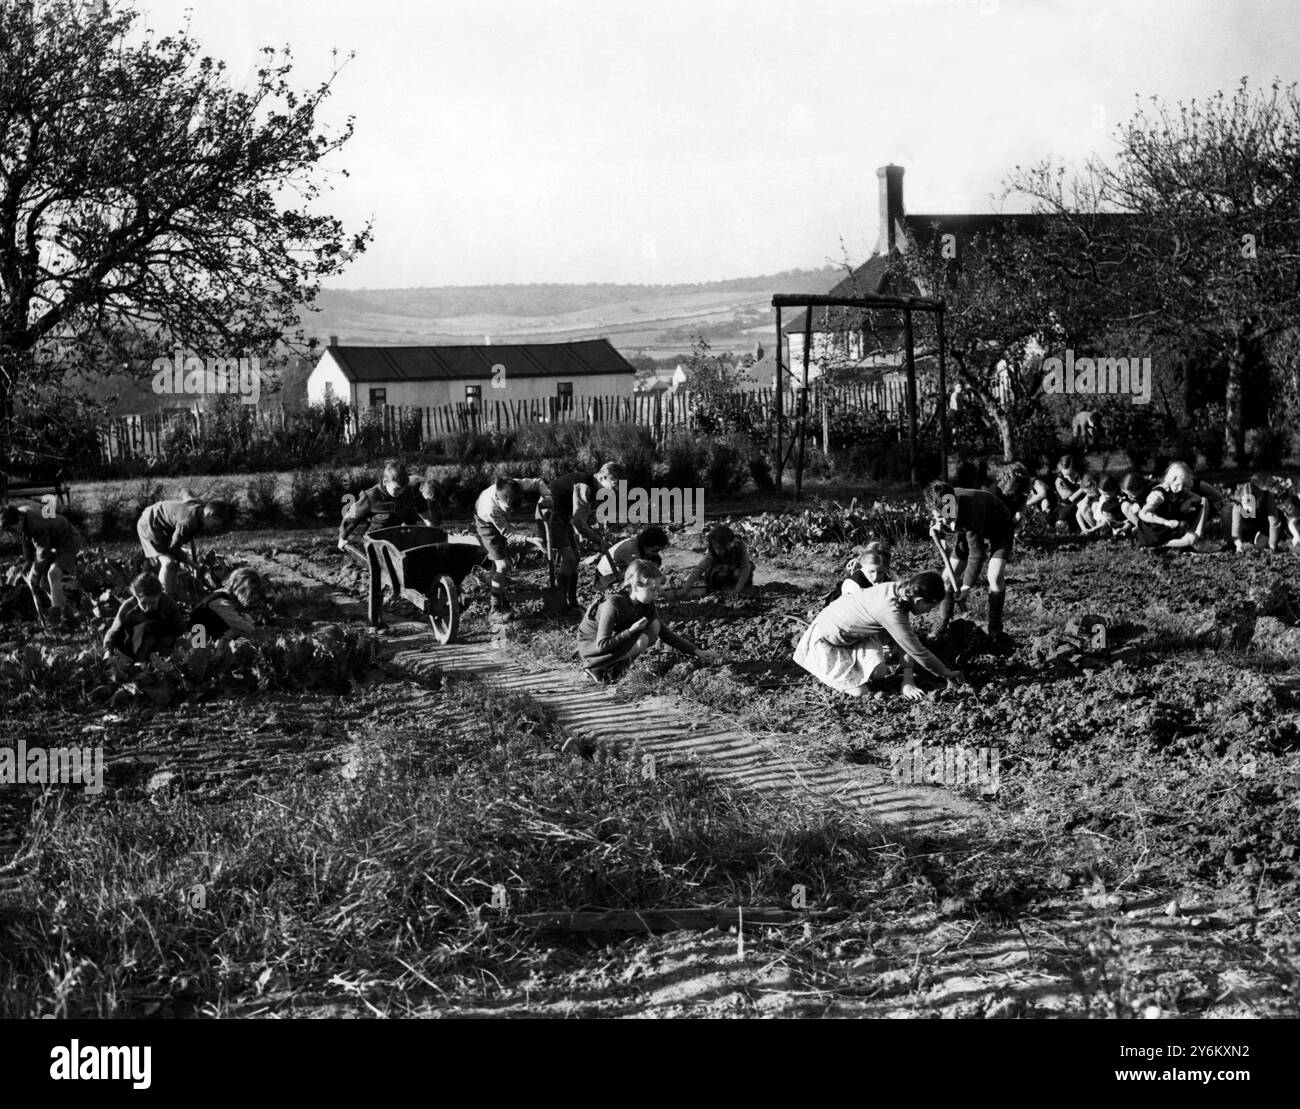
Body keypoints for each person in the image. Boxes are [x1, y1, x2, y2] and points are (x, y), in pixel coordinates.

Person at [794, 571, 966, 701]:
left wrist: (907, 681)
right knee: (861, 693)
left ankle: (854, 667)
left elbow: (905, 643)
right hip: (825, 641)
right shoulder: (891, 611)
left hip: (853, 635)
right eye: (930, 607)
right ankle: (826, 674)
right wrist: (947, 673)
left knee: (879, 673)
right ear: (919, 601)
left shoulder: (899, 590)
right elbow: (917, 651)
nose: (928, 612)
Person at [576, 559, 715, 682]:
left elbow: (665, 634)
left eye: (657, 590)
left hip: (609, 646)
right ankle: (596, 666)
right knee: (641, 639)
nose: (656, 594)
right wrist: (631, 631)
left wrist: (696, 651)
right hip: (591, 648)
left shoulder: (646, 604)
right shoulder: (613, 604)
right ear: (635, 586)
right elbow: (602, 644)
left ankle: (615, 669)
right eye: (652, 590)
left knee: (654, 626)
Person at [925, 480, 1015, 646]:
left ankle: (995, 628)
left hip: (999, 526)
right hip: (969, 527)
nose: (943, 520)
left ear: (955, 504)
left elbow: (977, 553)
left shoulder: (968, 509)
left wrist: (966, 586)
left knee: (994, 576)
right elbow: (944, 525)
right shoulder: (942, 503)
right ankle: (944, 623)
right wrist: (938, 530)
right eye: (939, 516)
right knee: (946, 577)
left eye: (947, 516)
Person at [536, 462, 623, 615]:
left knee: (575, 557)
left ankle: (573, 602)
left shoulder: (589, 485)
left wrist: (583, 535)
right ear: (602, 477)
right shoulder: (585, 487)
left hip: (562, 516)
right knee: (569, 558)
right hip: (549, 515)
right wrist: (598, 541)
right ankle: (562, 604)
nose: (612, 493)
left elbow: (577, 518)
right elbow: (578, 521)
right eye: (612, 487)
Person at [473, 476, 548, 618]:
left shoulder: (516, 485)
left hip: (498, 520)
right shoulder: (491, 509)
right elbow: (508, 533)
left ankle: (503, 600)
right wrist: (530, 539)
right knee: (502, 565)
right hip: (485, 524)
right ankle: (494, 610)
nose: (510, 513)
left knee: (499, 564)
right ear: (497, 497)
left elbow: (538, 482)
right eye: (508, 509)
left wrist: (547, 496)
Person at [338, 459, 437, 562]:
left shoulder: (407, 492)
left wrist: (410, 531)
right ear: (385, 482)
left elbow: (410, 512)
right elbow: (351, 517)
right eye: (397, 489)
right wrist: (342, 537)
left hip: (396, 536)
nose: (400, 493)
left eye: (403, 489)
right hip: (375, 540)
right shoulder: (371, 496)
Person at [136, 496, 234, 596]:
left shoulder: (200, 508)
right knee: (168, 562)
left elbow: (186, 495)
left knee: (175, 564)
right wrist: (190, 562)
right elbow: (173, 547)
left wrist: (186, 560)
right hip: (150, 523)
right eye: (215, 524)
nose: (215, 528)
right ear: (210, 515)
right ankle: (162, 598)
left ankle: (172, 598)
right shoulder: (188, 522)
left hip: (163, 525)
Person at [1, 503, 82, 616]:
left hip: (69, 541)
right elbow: (25, 538)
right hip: (54, 542)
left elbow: (43, 554)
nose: (11, 534)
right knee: (44, 582)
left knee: (53, 573)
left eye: (12, 530)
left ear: (19, 519)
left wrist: (33, 574)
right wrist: (27, 561)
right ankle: (67, 607)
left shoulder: (36, 525)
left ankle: (57, 615)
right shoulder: (20, 514)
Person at [1136, 461, 1218, 551]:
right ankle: (1155, 546)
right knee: (1191, 539)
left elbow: (1199, 499)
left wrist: (1188, 501)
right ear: (1171, 480)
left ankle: (1193, 536)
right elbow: (1143, 513)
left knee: (1203, 502)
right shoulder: (1159, 494)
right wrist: (1164, 522)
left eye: (1183, 485)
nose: (1180, 488)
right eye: (1177, 485)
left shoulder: (1181, 490)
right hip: (1155, 529)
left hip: (1170, 526)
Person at [103, 572, 184, 661]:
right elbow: (114, 631)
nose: (148, 608)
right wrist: (108, 651)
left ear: (159, 596)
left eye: (153, 603)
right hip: (135, 645)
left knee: (151, 627)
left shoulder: (167, 602)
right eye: (144, 603)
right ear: (136, 597)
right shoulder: (128, 607)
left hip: (161, 642)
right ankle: (139, 663)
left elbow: (180, 627)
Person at [188, 567, 269, 642]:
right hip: (198, 642)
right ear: (243, 590)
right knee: (241, 630)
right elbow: (240, 625)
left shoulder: (224, 593)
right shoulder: (221, 602)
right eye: (251, 595)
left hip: (207, 635)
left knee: (246, 619)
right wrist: (263, 637)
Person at [682, 524, 755, 596]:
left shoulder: (739, 546)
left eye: (720, 549)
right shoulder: (713, 551)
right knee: (721, 575)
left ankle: (736, 586)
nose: (717, 551)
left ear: (729, 545)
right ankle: (723, 587)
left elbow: (745, 568)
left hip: (735, 568)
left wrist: (737, 590)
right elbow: (700, 568)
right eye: (715, 548)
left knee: (738, 573)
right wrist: (686, 588)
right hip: (719, 570)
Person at [594, 524, 669, 590]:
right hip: (607, 577)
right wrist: (657, 580)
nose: (656, 553)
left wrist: (658, 576)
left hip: (623, 568)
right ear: (644, 545)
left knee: (655, 560)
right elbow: (640, 573)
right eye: (654, 551)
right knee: (641, 578)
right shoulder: (630, 550)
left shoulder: (640, 543)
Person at [1221, 477, 1283, 552]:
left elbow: (1274, 523)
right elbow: (1236, 527)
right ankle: (1232, 544)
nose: (1250, 511)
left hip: (1263, 525)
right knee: (1226, 511)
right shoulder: (1238, 505)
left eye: (1252, 506)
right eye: (1247, 508)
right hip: (1247, 526)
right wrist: (1239, 544)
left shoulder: (1267, 497)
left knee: (1263, 544)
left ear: (1258, 499)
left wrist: (1272, 546)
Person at [823, 541, 893, 607]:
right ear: (863, 564)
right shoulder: (853, 586)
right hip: (842, 611)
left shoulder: (889, 575)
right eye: (871, 571)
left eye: (880, 572)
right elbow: (855, 614)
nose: (875, 577)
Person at [1054, 454, 1087, 532]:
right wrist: (1082, 489)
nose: (1070, 478)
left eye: (1072, 474)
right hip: (1067, 506)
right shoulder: (1060, 481)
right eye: (1066, 476)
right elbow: (1068, 500)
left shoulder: (1083, 476)